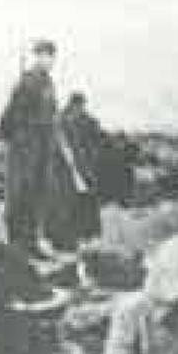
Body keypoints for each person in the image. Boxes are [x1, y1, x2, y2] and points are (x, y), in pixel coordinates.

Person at [0, 39, 59, 253]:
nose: (48, 60)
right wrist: (19, 140)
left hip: (43, 146)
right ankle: (17, 243)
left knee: (38, 194)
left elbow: (51, 115)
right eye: (43, 56)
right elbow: (9, 116)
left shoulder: (48, 84)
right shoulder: (27, 82)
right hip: (26, 147)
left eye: (51, 57)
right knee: (20, 193)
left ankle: (31, 241)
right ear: (37, 57)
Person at [49, 92, 103, 249]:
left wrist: (85, 163)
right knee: (65, 204)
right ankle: (65, 239)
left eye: (81, 107)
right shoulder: (59, 121)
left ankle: (86, 235)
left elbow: (90, 145)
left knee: (85, 200)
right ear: (72, 105)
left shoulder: (86, 121)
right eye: (78, 106)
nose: (80, 109)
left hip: (80, 168)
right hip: (64, 170)